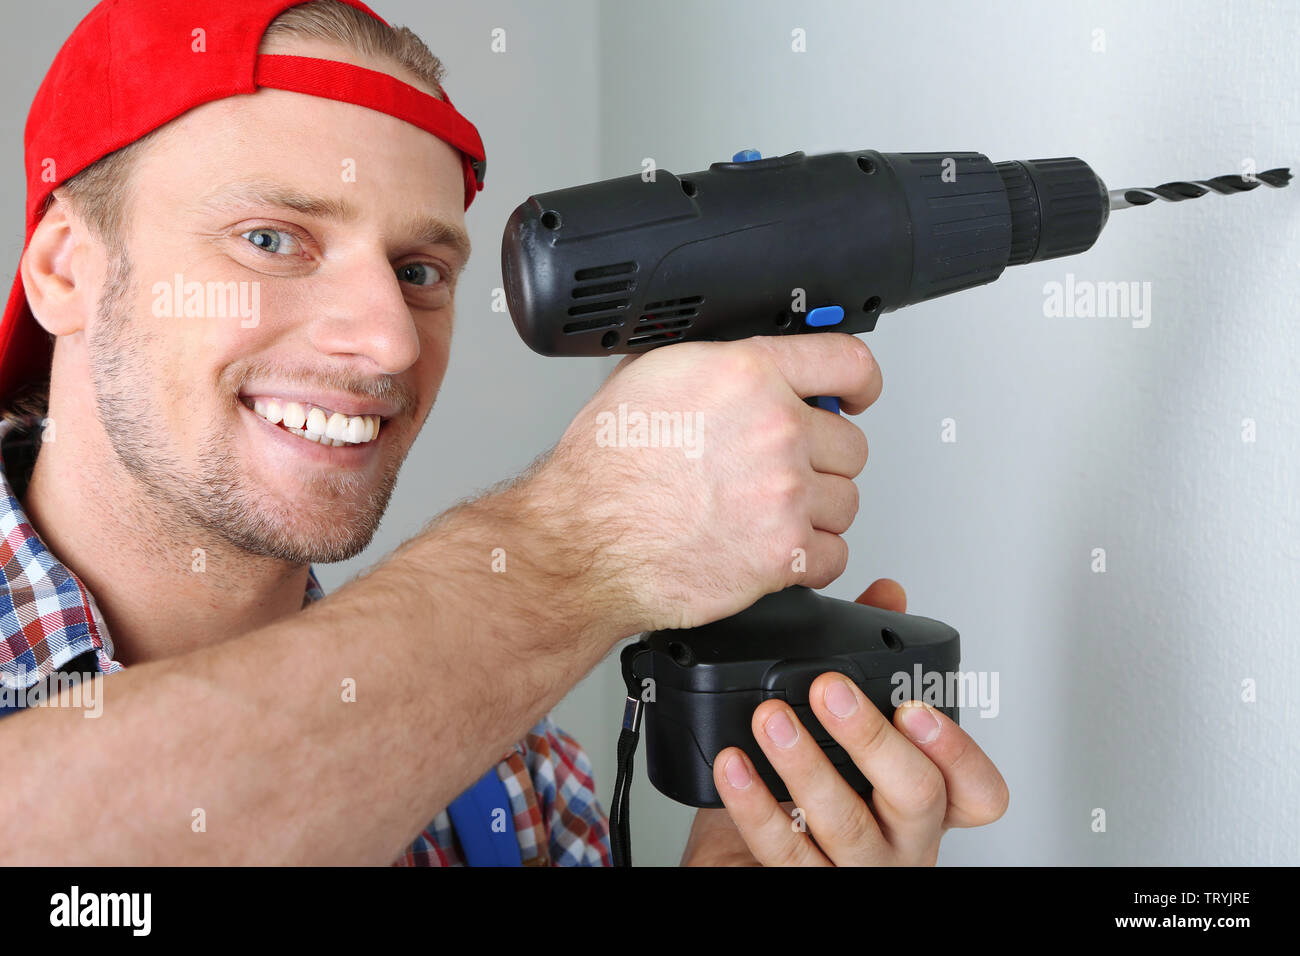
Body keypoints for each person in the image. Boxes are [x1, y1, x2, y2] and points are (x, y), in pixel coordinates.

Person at [0, 0, 1007, 866]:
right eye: (272, 239)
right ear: (61, 269)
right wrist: (577, 544)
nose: (390, 340)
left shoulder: (517, 794)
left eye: (420, 270)